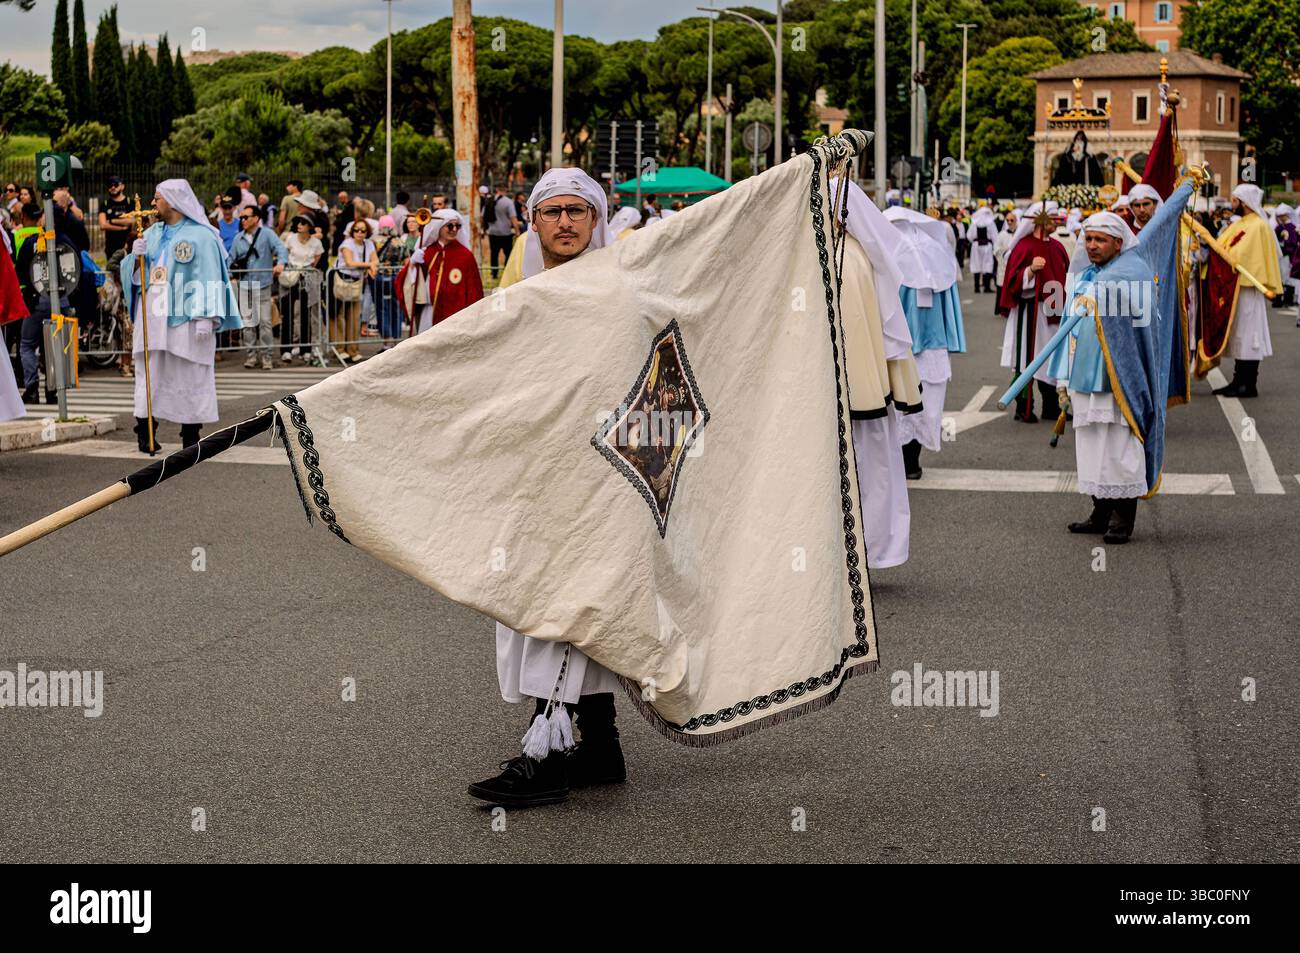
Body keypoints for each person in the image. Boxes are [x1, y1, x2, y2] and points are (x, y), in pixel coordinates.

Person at [469, 167, 620, 808]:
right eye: (552, 212)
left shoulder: (621, 291)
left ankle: (548, 753)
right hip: (534, 478)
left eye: (576, 211)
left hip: (597, 481)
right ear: (533, 223)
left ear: (595, 220)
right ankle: (600, 744)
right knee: (539, 603)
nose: (564, 222)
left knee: (561, 610)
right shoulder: (520, 298)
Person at [1045, 212, 1155, 542]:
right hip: (1083, 373)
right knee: (1091, 444)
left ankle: (1123, 517)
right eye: (1088, 239)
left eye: (1100, 240)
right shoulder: (1082, 277)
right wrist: (1063, 376)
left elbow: (1145, 326)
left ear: (1118, 243)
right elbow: (1068, 326)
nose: (1092, 246)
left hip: (1117, 376)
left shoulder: (1135, 274)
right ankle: (1101, 509)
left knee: (1120, 444)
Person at [121, 179, 242, 451]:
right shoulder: (150, 234)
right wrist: (132, 258)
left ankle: (190, 434)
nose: (152, 203)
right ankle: (145, 430)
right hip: (152, 313)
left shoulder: (202, 236)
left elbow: (210, 276)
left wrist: (206, 316)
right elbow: (137, 278)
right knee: (149, 370)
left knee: (189, 371)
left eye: (157, 198)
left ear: (174, 201)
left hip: (186, 317)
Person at [884, 205, 966, 480]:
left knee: (898, 404)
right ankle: (912, 461)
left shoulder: (890, 254)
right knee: (924, 404)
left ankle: (902, 461)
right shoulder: (936, 254)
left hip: (899, 345)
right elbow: (950, 308)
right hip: (934, 347)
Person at [996, 203, 1070, 423]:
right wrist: (1030, 270)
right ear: (1040, 220)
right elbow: (1011, 281)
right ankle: (1023, 407)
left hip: (1054, 309)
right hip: (1031, 311)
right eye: (1053, 217)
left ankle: (1051, 407)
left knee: (1052, 358)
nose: (1057, 221)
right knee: (1026, 359)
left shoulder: (1057, 246)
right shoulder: (1024, 246)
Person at [1210, 184, 1284, 397]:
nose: (1232, 203)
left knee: (1249, 335)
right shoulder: (1240, 224)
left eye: (1235, 200)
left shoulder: (1258, 226)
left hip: (1249, 288)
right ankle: (1237, 380)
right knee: (1238, 335)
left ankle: (1248, 384)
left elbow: (1251, 257)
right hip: (1234, 288)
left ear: (1244, 202)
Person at [395, 209, 482, 334]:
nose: (454, 229)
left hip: (457, 314)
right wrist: (412, 264)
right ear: (438, 227)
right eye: (450, 226)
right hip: (429, 312)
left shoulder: (465, 256)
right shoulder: (427, 253)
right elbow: (408, 282)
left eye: (457, 226)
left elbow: (474, 290)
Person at [228, 203, 288, 370]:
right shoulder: (238, 238)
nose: (243, 220)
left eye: (246, 217)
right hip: (245, 285)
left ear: (256, 218)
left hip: (263, 285)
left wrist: (281, 263)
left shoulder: (267, 234)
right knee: (248, 324)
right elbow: (230, 259)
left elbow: (281, 249)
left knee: (265, 322)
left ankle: (267, 357)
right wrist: (229, 275)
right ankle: (251, 356)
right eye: (241, 217)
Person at [277, 215, 324, 365]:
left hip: (307, 277)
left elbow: (316, 260)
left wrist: (305, 270)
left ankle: (306, 350)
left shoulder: (316, 242)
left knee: (306, 315)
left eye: (303, 223)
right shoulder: (290, 238)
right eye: (298, 222)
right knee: (288, 314)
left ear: (310, 226)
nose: (299, 225)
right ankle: (286, 350)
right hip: (290, 277)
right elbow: (284, 254)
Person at [333, 218, 376, 363]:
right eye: (356, 230)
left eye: (363, 230)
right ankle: (339, 349)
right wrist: (369, 265)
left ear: (367, 232)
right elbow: (350, 262)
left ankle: (353, 349)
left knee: (354, 317)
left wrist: (372, 266)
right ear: (352, 231)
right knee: (339, 316)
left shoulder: (369, 244)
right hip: (341, 280)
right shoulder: (347, 244)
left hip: (356, 283)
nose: (359, 233)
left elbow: (375, 260)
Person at [373, 214, 410, 351]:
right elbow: (407, 261)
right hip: (397, 278)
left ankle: (386, 341)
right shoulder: (400, 242)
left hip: (380, 278)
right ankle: (396, 339)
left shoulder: (375, 241)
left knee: (382, 309)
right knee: (396, 308)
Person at [485, 184, 519, 279]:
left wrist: (485, 228)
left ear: (496, 189)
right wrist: (517, 231)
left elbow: (482, 215)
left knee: (494, 254)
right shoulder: (508, 202)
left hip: (492, 232)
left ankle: (494, 273)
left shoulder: (489, 200)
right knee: (508, 254)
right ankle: (507, 273)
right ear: (506, 190)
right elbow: (513, 218)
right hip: (505, 233)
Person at [1271, 203, 1299, 311]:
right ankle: (1278, 298)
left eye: (1282, 215)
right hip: (1279, 256)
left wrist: (1286, 248)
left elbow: (1293, 243)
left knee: (1287, 278)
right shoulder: (1279, 228)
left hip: (1287, 257)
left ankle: (1288, 299)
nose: (1280, 218)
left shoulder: (1293, 228)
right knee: (1279, 277)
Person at [98, 176, 134, 259]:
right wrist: (122, 228)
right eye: (110, 185)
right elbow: (103, 225)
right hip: (111, 247)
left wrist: (111, 221)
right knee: (112, 269)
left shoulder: (130, 203)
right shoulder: (105, 204)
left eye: (116, 184)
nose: (113, 187)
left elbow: (131, 220)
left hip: (127, 245)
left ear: (122, 186)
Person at [967, 202, 998, 293]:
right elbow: (995, 236)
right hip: (987, 246)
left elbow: (969, 236)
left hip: (976, 246)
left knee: (976, 264)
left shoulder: (974, 223)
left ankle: (976, 287)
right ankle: (986, 287)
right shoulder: (990, 223)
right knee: (987, 264)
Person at [993, 208, 1018, 291]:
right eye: (1007, 220)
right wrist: (1005, 251)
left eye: (1012, 220)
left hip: (1016, 267)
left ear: (1016, 220)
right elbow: (996, 250)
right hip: (1003, 267)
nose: (1009, 222)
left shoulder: (1019, 235)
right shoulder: (1001, 235)